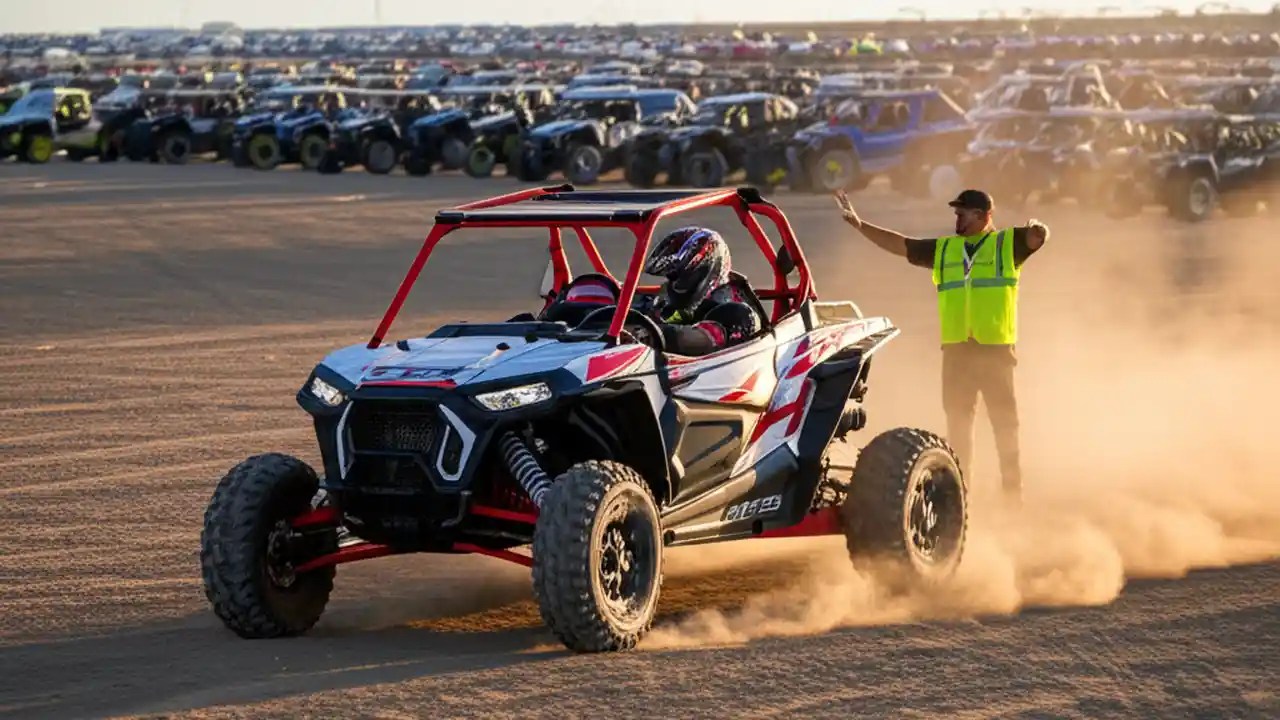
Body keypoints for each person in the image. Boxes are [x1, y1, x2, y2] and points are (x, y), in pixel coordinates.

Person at [835, 188, 1049, 503]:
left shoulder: (1007, 245)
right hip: (957, 354)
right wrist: (859, 224)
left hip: (996, 353)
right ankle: (961, 496)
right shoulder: (946, 249)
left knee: (1005, 427)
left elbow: (1036, 238)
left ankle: (1012, 496)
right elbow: (900, 245)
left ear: (983, 216)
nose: (956, 218)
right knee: (959, 429)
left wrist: (1037, 227)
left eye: (962, 213)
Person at [643, 226, 765, 357]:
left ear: (706, 272)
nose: (674, 284)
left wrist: (645, 333)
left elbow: (697, 339)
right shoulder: (673, 302)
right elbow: (650, 312)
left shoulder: (738, 313)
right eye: (672, 277)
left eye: (681, 277)